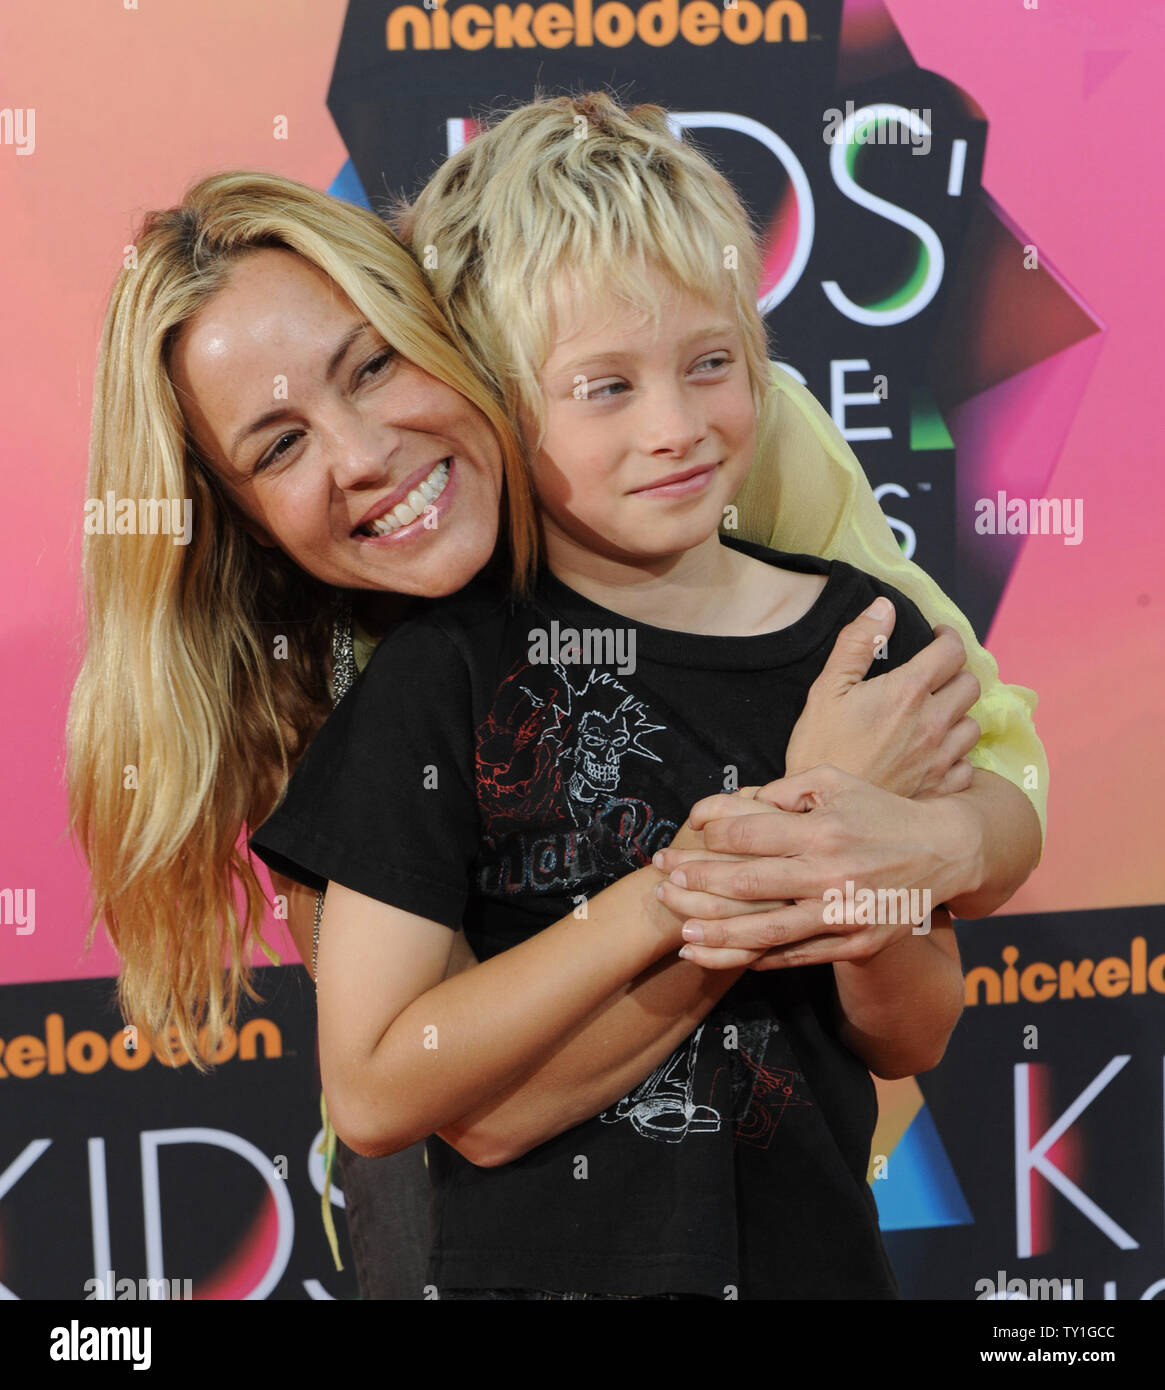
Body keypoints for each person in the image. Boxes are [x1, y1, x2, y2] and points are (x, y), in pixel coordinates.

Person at [65, 145, 1042, 1296]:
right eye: (278, 446)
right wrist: (759, 847)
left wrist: (888, 843)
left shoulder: (734, 442)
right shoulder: (325, 679)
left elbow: (986, 796)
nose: (365, 456)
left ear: (448, 341)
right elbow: (462, 1109)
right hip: (483, 1222)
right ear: (240, 516)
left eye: (374, 366)